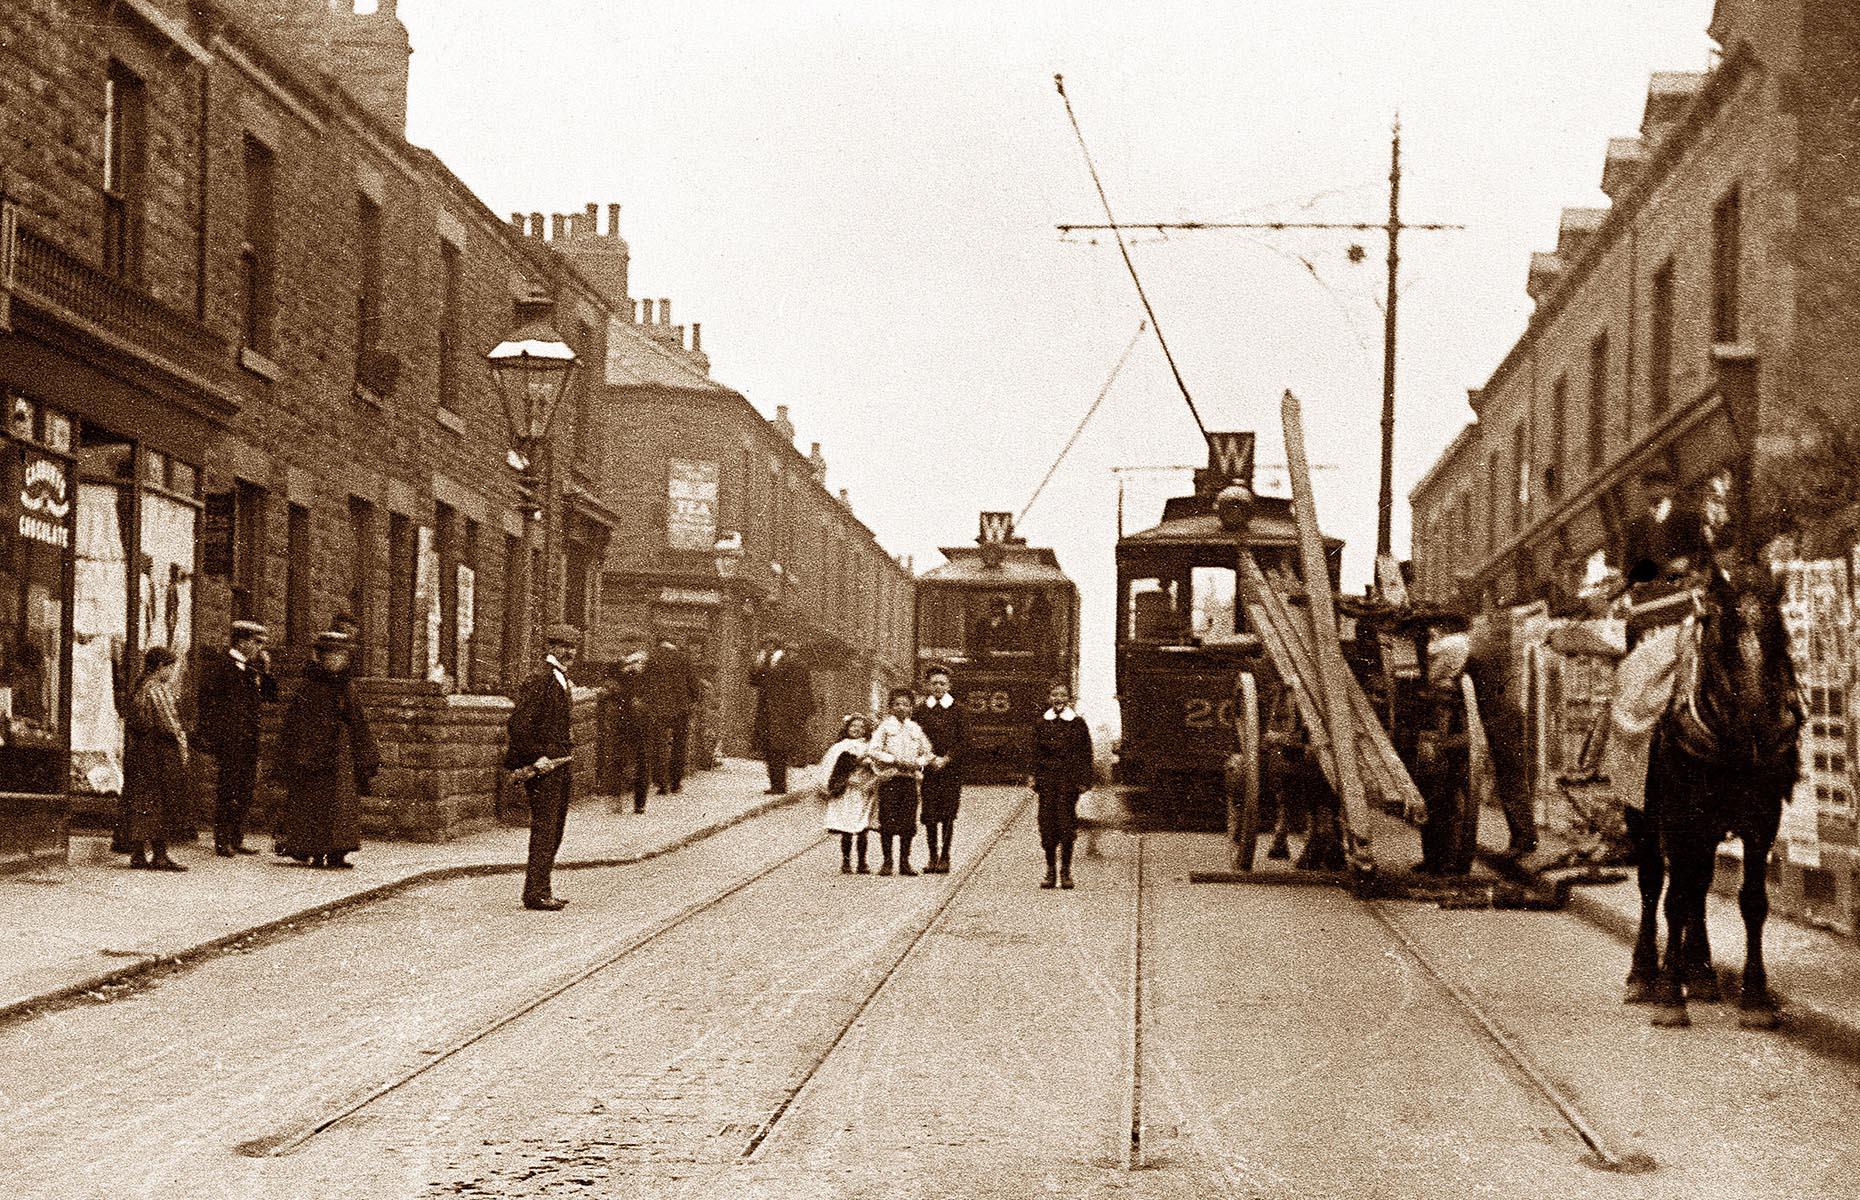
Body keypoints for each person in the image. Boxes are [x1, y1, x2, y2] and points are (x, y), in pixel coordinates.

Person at [276, 632, 379, 869]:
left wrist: (366, 754)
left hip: (341, 755)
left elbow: (358, 722)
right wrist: (301, 755)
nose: (337, 660)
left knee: (342, 805)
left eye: (341, 656)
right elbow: (296, 725)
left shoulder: (347, 687)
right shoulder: (309, 687)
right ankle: (315, 851)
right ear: (321, 657)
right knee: (315, 804)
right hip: (313, 756)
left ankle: (338, 853)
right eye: (332, 655)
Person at [505, 624, 581, 911]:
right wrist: (535, 757)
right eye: (563, 646)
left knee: (554, 829)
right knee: (545, 829)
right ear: (550, 647)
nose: (569, 652)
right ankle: (535, 892)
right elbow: (519, 724)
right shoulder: (541, 678)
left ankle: (542, 888)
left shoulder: (560, 678)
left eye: (573, 647)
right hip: (544, 766)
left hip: (559, 763)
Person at [194, 619, 278, 857]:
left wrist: (266, 671)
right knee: (229, 788)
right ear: (242, 641)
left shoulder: (251, 668)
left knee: (245, 787)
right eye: (257, 642)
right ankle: (223, 840)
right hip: (229, 740)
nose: (260, 648)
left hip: (248, 739)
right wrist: (215, 736)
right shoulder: (222, 666)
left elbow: (271, 697)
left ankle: (236, 836)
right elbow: (208, 704)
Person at [119, 646, 190, 871]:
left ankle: (138, 853)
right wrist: (182, 740)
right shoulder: (156, 689)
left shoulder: (141, 687)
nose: (171, 672)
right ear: (160, 667)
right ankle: (159, 854)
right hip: (157, 752)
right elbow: (169, 724)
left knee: (142, 801)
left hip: (142, 752)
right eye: (169, 667)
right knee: (159, 800)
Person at [1029, 681, 1092, 889]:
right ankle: (1050, 870)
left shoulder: (1078, 723)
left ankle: (1066, 871)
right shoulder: (1041, 723)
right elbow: (1034, 752)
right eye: (1055, 695)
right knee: (1047, 826)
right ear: (1049, 698)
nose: (1058, 699)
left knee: (1066, 825)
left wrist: (1084, 780)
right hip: (1047, 781)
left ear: (1069, 699)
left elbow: (1086, 753)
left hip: (1069, 781)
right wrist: (1032, 775)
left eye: (1063, 695)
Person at [867, 686, 934, 876]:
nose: (901, 708)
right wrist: (893, 760)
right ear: (890, 707)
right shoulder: (884, 728)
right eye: (897, 704)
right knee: (887, 820)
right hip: (890, 778)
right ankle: (887, 861)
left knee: (908, 822)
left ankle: (905, 862)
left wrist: (917, 763)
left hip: (909, 779)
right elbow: (873, 750)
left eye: (905, 704)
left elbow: (928, 753)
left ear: (911, 708)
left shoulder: (915, 729)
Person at [915, 665, 968, 874]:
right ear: (928, 686)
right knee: (929, 814)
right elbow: (916, 739)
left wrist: (947, 758)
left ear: (949, 686)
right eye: (934, 683)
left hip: (950, 770)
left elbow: (964, 740)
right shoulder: (920, 710)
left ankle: (945, 856)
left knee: (947, 814)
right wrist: (929, 759)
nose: (938, 687)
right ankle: (932, 856)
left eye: (942, 683)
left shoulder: (958, 710)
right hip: (929, 770)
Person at [751, 637, 815, 795]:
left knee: (778, 750)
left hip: (784, 716)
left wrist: (797, 716)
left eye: (770, 645)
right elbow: (755, 681)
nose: (768, 649)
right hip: (769, 715)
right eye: (766, 645)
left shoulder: (793, 665)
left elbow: (803, 693)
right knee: (771, 749)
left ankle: (780, 785)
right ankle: (776, 785)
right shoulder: (770, 663)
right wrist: (759, 664)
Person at [820, 714, 878, 874]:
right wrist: (831, 785)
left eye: (861, 727)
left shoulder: (870, 746)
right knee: (846, 828)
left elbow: (877, 766)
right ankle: (846, 862)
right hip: (846, 792)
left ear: (867, 730)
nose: (857, 729)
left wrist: (871, 774)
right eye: (853, 726)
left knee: (862, 827)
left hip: (863, 790)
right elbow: (829, 768)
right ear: (847, 728)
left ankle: (862, 862)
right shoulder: (839, 747)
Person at [644, 636, 699, 796]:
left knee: (658, 745)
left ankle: (661, 782)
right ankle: (675, 782)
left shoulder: (651, 658)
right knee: (679, 745)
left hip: (657, 709)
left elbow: (645, 684)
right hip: (680, 709)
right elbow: (693, 684)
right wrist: (694, 700)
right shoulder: (683, 658)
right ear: (673, 644)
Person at [605, 648, 651, 813]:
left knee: (625, 760)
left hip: (631, 722)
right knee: (634, 761)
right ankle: (634, 803)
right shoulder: (623, 671)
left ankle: (626, 801)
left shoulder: (622, 671)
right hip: (631, 722)